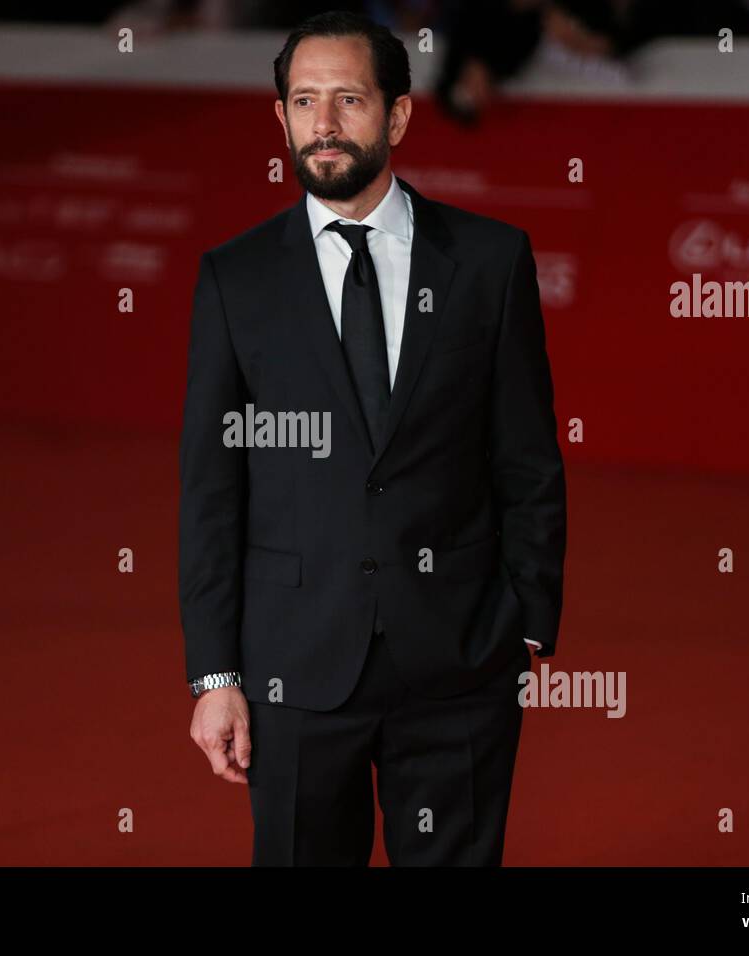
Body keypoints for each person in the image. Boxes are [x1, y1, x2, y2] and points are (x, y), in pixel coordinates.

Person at [178, 10, 567, 865]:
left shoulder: (489, 261)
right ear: (278, 117)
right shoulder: (235, 278)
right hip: (294, 668)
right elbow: (212, 489)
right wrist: (214, 676)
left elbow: (528, 455)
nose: (323, 124)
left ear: (395, 117)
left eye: (348, 99)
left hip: (459, 663)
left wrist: (528, 622)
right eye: (304, 101)